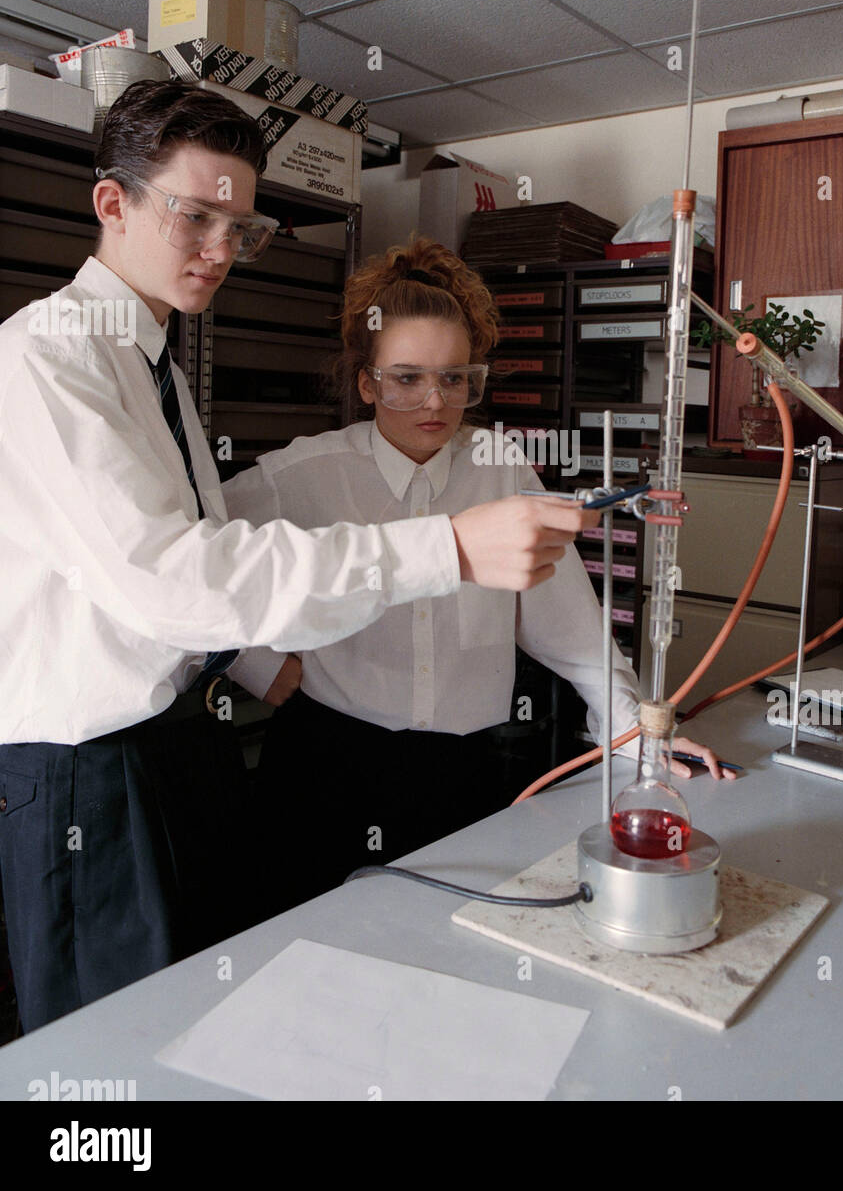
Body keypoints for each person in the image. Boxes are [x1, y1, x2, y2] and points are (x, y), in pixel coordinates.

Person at [0, 82, 595, 1034]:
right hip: (90, 773)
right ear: (112, 203)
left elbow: (211, 554)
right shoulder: (48, 358)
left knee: (199, 1021)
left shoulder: (151, 367)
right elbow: (169, 580)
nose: (221, 252)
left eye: (243, 227)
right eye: (196, 216)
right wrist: (442, 547)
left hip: (175, 747)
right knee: (106, 1051)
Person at [223, 237, 734, 913]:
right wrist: (248, 660)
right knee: (307, 960)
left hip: (461, 773)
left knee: (452, 951)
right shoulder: (303, 474)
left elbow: (569, 626)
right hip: (327, 764)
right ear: (367, 381)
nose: (435, 399)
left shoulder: (501, 467)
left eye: (455, 377)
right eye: (406, 377)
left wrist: (632, 731)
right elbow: (183, 562)